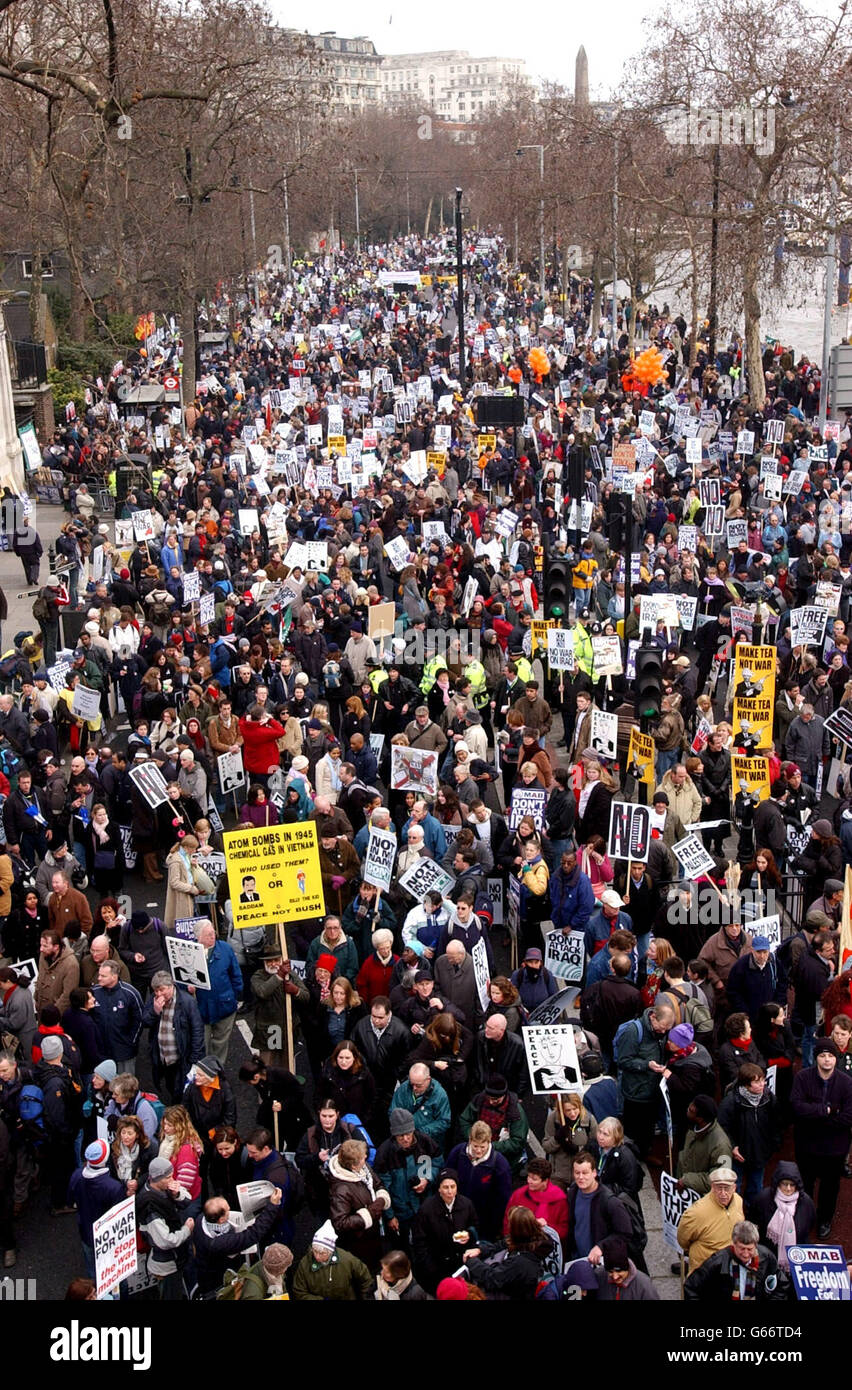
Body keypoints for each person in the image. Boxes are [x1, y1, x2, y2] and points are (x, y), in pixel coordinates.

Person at [790, 1036, 852, 1238]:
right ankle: (804, 1218)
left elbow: (848, 1117)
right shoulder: (802, 1078)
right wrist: (826, 1111)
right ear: (816, 1058)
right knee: (804, 1184)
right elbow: (797, 1107)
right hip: (807, 1145)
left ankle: (825, 1219)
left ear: (836, 1059)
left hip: (835, 1148)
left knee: (830, 1187)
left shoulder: (846, 1083)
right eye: (823, 1055)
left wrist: (817, 1117)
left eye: (831, 1056)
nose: (827, 1060)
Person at [193, 1187, 282, 1297]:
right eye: (227, 1211)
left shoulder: (201, 1219)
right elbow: (252, 1235)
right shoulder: (219, 1243)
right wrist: (272, 1206)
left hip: (207, 1268)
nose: (230, 1211)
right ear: (221, 1220)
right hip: (217, 1279)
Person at [615, 1001, 676, 1160]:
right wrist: (646, 1065)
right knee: (633, 1129)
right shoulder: (634, 1031)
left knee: (648, 1126)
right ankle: (629, 1159)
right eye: (661, 1027)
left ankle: (644, 1154)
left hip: (654, 1089)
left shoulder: (661, 1032)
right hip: (636, 1090)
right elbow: (623, 1061)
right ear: (653, 1017)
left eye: (666, 1030)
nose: (663, 1032)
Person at [717, 1063, 783, 1207]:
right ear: (746, 1084)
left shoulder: (769, 1098)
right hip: (738, 1155)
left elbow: (776, 1123)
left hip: (760, 1152)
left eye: (763, 1080)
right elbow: (722, 1128)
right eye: (757, 1082)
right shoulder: (730, 1102)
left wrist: (772, 1145)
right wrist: (733, 1147)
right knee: (735, 1188)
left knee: (756, 1187)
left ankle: (753, 1213)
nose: (762, 1085)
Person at [374, 1108, 439, 1249]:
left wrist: (426, 1179)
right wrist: (390, 1216)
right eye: (400, 1135)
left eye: (408, 1134)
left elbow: (436, 1163)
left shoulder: (424, 1142)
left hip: (424, 1207)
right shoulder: (384, 1153)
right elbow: (382, 1188)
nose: (405, 1139)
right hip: (400, 1212)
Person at [461, 1205, 555, 1300]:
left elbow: (492, 1279)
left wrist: (471, 1261)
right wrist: (480, 1250)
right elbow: (503, 1243)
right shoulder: (540, 1239)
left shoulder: (521, 1261)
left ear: (516, 1230)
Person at [135, 1154, 195, 1299]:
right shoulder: (150, 1208)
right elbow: (166, 1241)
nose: (172, 1180)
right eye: (168, 1177)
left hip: (176, 1257)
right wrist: (187, 1230)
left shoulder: (163, 1188)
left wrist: (177, 1194)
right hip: (167, 1265)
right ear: (157, 1179)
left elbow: (188, 1200)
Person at [411, 1167, 480, 1295]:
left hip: (459, 1263)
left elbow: (474, 1226)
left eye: (452, 1187)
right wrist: (429, 1267)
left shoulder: (466, 1204)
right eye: (445, 1187)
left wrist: (469, 1236)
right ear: (439, 1189)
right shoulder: (427, 1209)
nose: (449, 1191)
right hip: (436, 1266)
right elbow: (419, 1241)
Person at [327, 1137, 391, 1271]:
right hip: (358, 1243)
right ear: (353, 1165)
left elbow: (377, 1184)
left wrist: (381, 1199)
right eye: (362, 1158)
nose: (366, 1158)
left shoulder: (364, 1168)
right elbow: (340, 1222)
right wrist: (368, 1214)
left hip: (373, 1234)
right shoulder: (341, 1190)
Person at [141, 971, 205, 1103]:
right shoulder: (154, 999)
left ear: (172, 986)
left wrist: (194, 1058)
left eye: (162, 990)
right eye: (156, 990)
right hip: (163, 1057)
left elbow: (197, 1030)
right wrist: (155, 1012)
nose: (159, 994)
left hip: (181, 1057)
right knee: (170, 1084)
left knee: (182, 1089)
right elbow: (145, 1022)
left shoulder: (187, 1002)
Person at [684, 1220, 787, 1301]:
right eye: (742, 1249)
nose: (746, 1254)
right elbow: (691, 1287)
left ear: (756, 1245)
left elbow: (782, 1283)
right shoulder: (717, 1261)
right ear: (733, 1244)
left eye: (750, 1249)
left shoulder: (766, 1257)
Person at [67, 1138, 126, 1278]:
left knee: (92, 1269)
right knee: (112, 1272)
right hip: (107, 1237)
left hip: (86, 1231)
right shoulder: (113, 1187)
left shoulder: (76, 1175)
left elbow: (70, 1200)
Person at [445, 1120, 513, 1241]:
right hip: (456, 1215)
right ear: (470, 1140)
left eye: (483, 1147)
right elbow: (445, 1179)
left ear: (489, 1142)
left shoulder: (500, 1164)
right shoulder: (457, 1153)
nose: (478, 1151)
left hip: (484, 1223)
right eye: (475, 1146)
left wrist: (494, 1227)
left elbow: (503, 1200)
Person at [563, 1150, 633, 1264]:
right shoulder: (573, 1192)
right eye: (577, 1173)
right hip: (577, 1258)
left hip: (600, 1262)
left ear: (594, 1173)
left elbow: (625, 1233)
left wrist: (601, 1247)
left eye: (585, 1173)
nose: (580, 1177)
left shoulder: (610, 1202)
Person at [192, 920, 242, 1066]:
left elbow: (236, 975)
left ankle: (218, 1071)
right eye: (208, 935)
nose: (212, 936)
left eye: (213, 932)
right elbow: (180, 978)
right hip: (201, 1008)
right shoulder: (189, 952)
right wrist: (187, 989)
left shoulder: (225, 949)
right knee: (202, 1043)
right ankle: (204, 1070)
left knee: (221, 1042)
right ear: (198, 937)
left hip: (224, 1005)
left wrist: (235, 996)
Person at [677, 1167, 745, 1272]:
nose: (723, 1193)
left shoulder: (738, 1201)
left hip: (729, 1265)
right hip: (705, 1269)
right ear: (712, 1187)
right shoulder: (696, 1212)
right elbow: (683, 1240)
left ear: (734, 1188)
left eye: (726, 1188)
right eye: (719, 1188)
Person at [750, 1161, 816, 1269]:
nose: (789, 1188)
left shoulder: (806, 1203)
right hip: (767, 1257)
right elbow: (753, 1224)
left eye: (792, 1184)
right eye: (785, 1184)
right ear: (777, 1183)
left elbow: (810, 1225)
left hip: (798, 1258)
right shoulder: (763, 1200)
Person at [291, 1220, 374, 1301]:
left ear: (331, 1251)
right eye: (315, 1251)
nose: (317, 1256)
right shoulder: (305, 1263)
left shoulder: (347, 1260)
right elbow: (299, 1292)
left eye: (322, 1253)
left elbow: (366, 1280)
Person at [503, 1157, 569, 1245]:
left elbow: (564, 1230)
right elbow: (507, 1222)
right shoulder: (519, 1195)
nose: (529, 1181)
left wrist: (547, 1226)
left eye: (534, 1179)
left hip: (548, 1248)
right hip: (520, 1247)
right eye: (528, 1176)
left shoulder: (559, 1200)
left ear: (545, 1181)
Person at [542, 1092, 598, 1186]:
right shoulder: (553, 1118)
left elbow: (595, 1148)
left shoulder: (589, 1120)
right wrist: (557, 1139)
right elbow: (546, 1147)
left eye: (575, 1109)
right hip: (558, 1175)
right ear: (561, 1110)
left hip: (581, 1176)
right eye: (568, 1110)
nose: (572, 1113)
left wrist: (578, 1150)